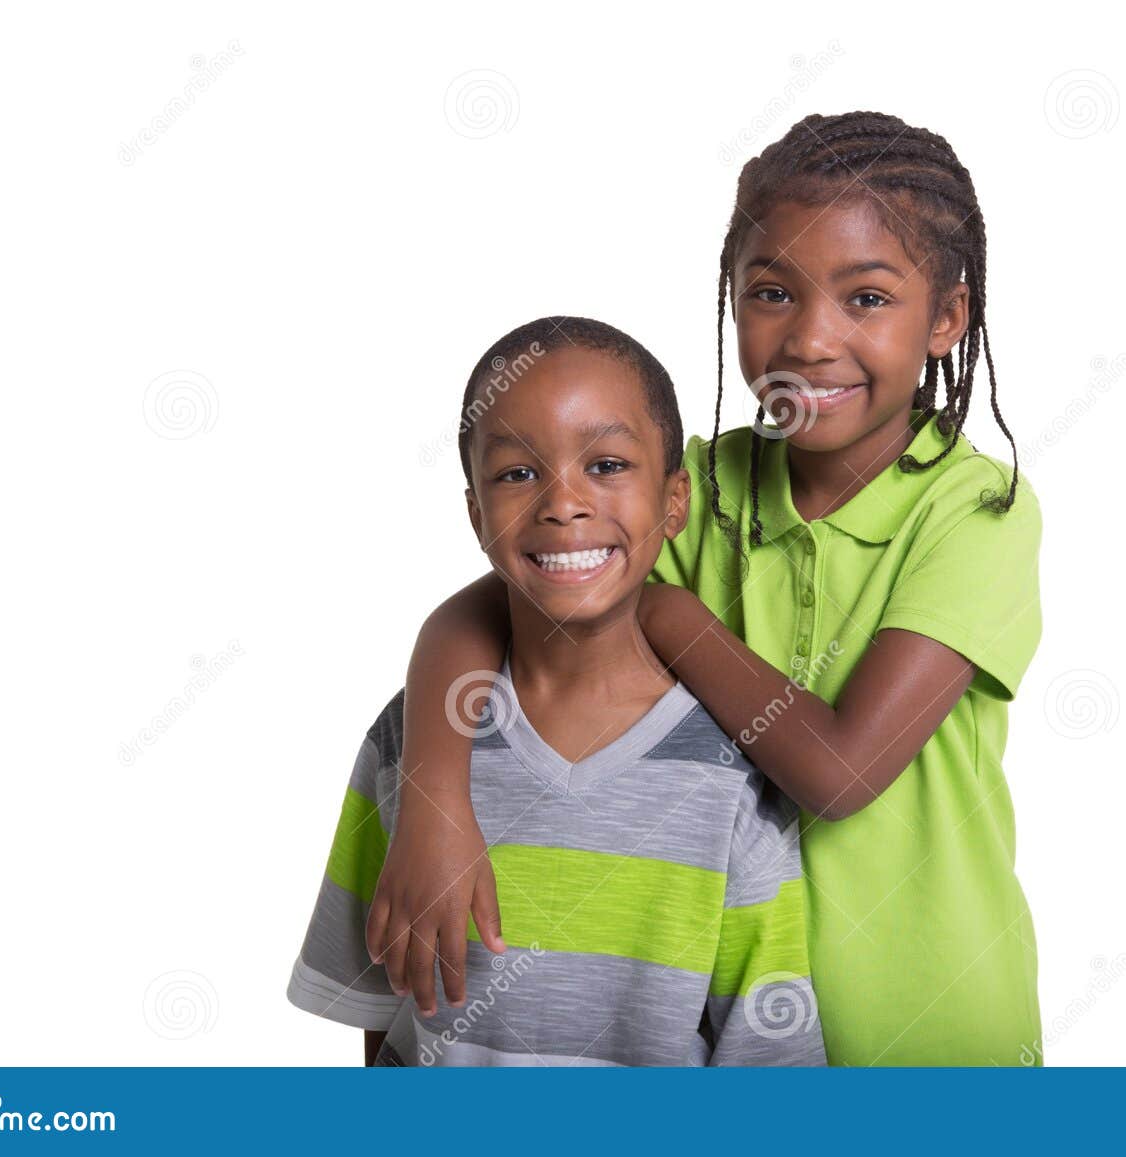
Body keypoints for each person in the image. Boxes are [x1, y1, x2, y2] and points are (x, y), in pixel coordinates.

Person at [368, 112, 1045, 1066]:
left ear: (946, 318)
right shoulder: (693, 486)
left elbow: (840, 773)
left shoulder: (977, 512)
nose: (810, 338)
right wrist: (436, 801)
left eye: (867, 298)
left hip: (931, 1035)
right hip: (714, 1033)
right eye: (772, 291)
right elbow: (489, 605)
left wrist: (668, 610)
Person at [287, 316, 825, 1067]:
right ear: (476, 514)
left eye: (606, 464)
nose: (562, 503)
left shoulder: (727, 777)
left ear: (674, 503)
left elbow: (768, 1065)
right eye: (516, 473)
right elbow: (381, 1016)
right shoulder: (408, 737)